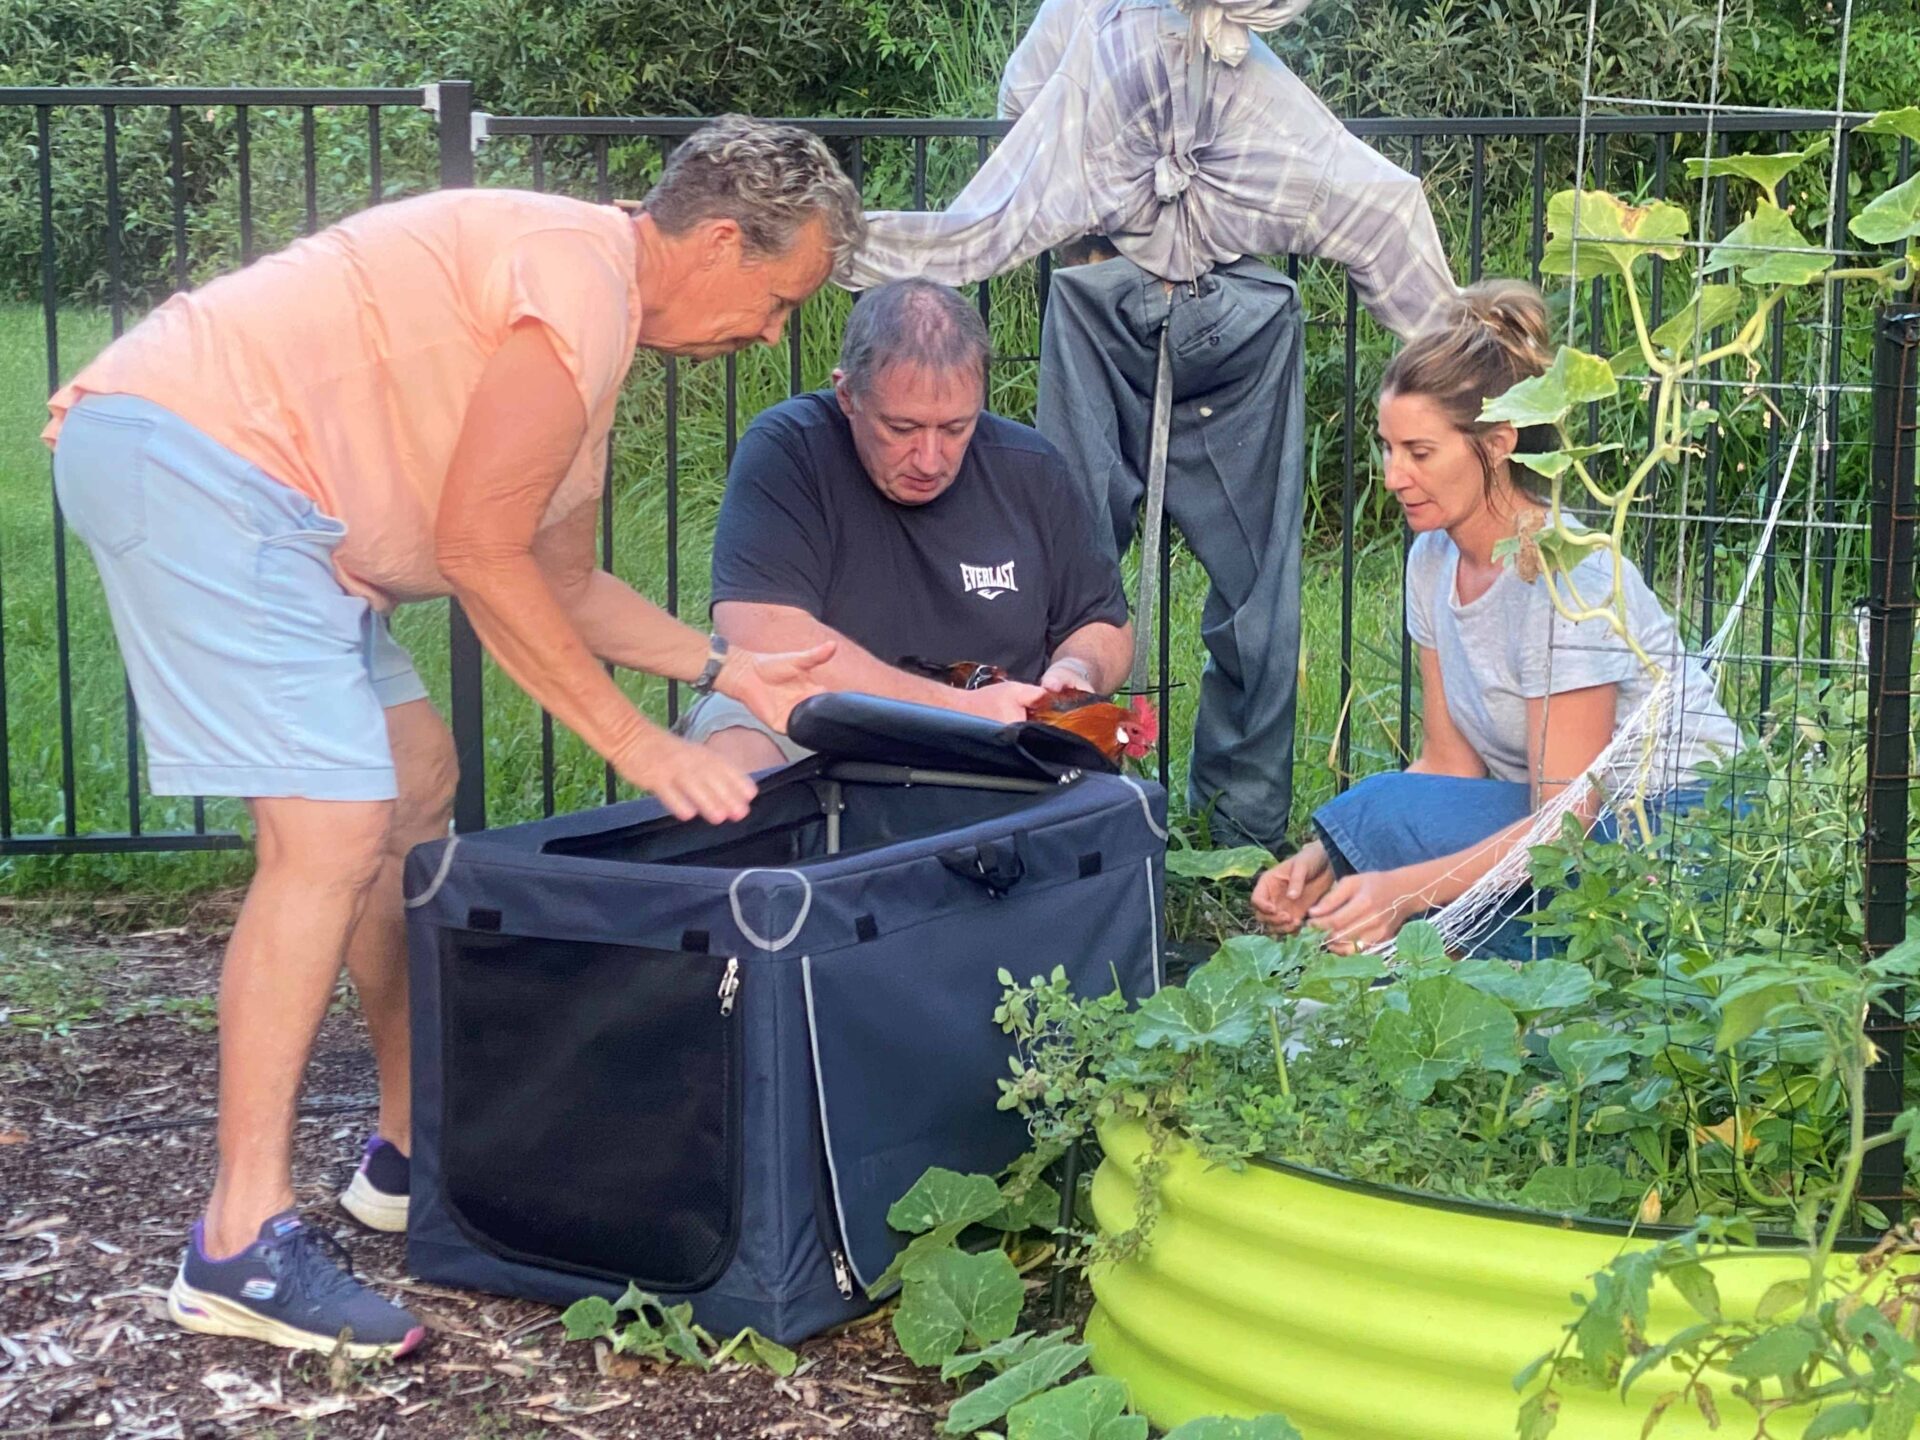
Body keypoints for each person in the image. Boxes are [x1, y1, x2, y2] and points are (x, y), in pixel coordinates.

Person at [41, 116, 864, 1359]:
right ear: (714, 241)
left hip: (286, 511)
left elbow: (561, 579)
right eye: (778, 294)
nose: (773, 331)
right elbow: (480, 553)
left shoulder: (590, 336)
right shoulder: (577, 279)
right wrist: (642, 746)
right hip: (201, 460)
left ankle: (410, 1148)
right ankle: (237, 1239)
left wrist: (725, 665)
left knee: (415, 778)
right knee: (329, 831)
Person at [845, 0, 1460, 851]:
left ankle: (1076, 816)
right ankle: (1208, 825)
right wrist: (1476, 378)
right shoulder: (1123, 26)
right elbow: (1377, 208)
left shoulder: (1114, 29)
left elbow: (1023, 115)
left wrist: (836, 243)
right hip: (1218, 303)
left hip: (1128, 292)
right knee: (1215, 580)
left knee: (1082, 563)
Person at [1252, 281, 1741, 958]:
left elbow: (1566, 820)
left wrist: (1401, 889)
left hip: (1684, 833)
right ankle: (1502, 960)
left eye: (1419, 452)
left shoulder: (1567, 576)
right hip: (1578, 828)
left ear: (1498, 444)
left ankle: (1552, 969)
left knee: (1392, 834)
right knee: (1382, 809)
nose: (1394, 476)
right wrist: (1328, 857)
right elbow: (1448, 764)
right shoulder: (1430, 559)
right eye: (1387, 448)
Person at [683, 279, 1132, 770]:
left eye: (957, 428)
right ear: (847, 394)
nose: (929, 458)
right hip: (830, 723)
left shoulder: (1031, 467)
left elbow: (1103, 622)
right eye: (902, 429)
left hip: (995, 743)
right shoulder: (790, 450)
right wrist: (956, 710)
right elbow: (756, 631)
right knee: (734, 734)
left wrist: (1076, 667)